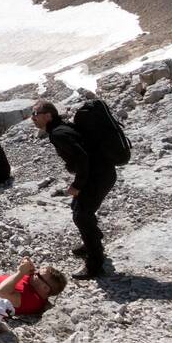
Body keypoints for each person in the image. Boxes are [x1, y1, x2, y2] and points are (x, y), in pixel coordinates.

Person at [32, 99, 116, 279]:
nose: (33, 118)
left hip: (98, 176)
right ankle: (93, 240)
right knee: (78, 208)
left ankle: (95, 264)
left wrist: (77, 185)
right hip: (102, 173)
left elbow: (83, 159)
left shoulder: (58, 134)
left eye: (35, 114)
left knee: (82, 215)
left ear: (48, 115)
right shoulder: (62, 127)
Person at [0, 257, 67, 315]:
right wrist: (26, 263)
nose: (35, 272)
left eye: (38, 275)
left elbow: (0, 292)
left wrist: (21, 272)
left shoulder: (32, 300)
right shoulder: (33, 284)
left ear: (45, 288)